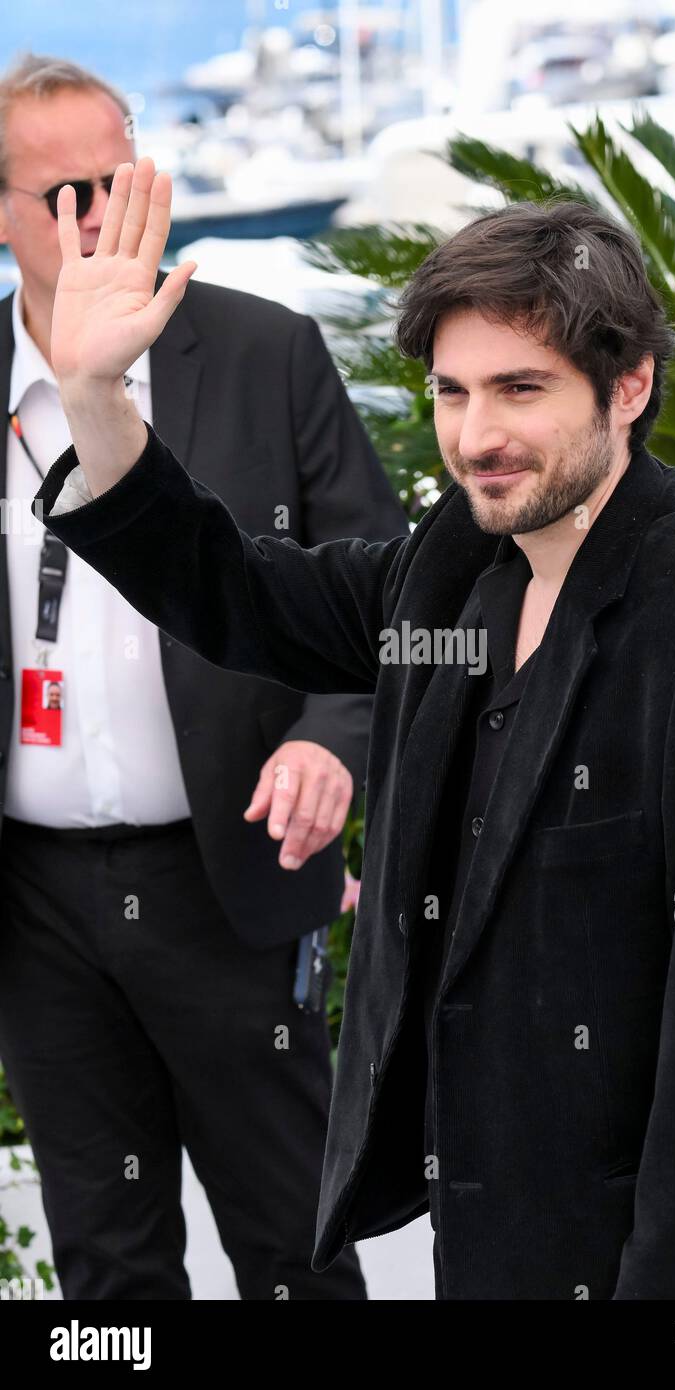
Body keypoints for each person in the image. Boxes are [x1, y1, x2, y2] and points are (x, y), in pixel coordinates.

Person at [35, 158, 675, 1300]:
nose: (475, 436)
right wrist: (96, 399)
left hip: (643, 1266)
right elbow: (233, 590)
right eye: (451, 393)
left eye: (520, 389)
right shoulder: (451, 565)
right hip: (479, 1242)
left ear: (626, 388)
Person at [0, 57, 408, 1300]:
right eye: (68, 192)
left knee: (293, 1237)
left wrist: (330, 742)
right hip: (32, 900)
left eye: (120, 181)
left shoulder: (265, 351)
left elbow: (382, 600)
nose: (101, 216)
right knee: (105, 1264)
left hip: (229, 866)